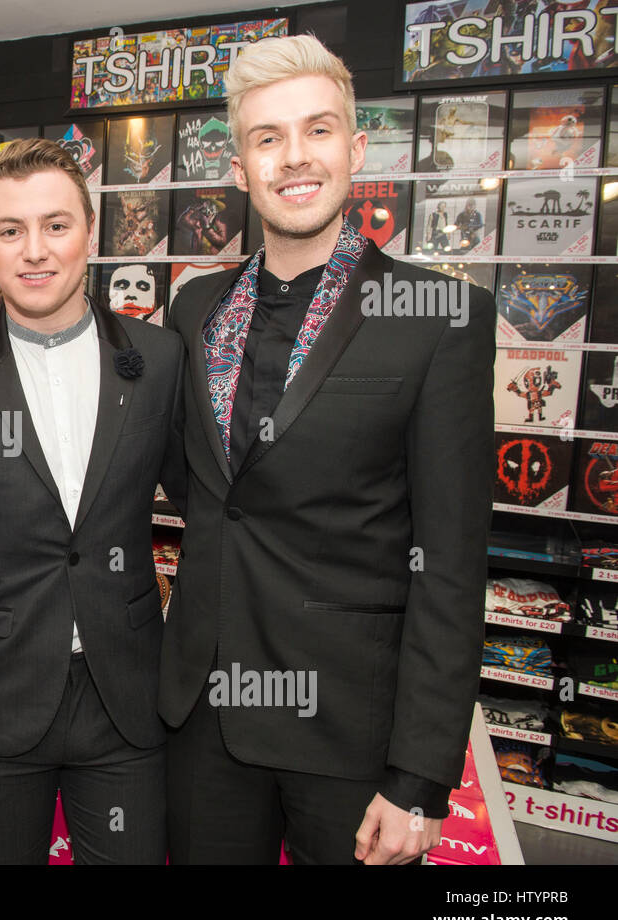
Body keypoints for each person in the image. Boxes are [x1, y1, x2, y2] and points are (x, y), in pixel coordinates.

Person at [158, 35, 493, 865]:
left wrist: (420, 774)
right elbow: (185, 476)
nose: (294, 156)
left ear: (355, 149)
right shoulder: (196, 308)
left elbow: (450, 562)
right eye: (267, 137)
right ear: (240, 167)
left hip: (350, 735)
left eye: (317, 130)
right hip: (203, 719)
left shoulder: (437, 314)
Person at [0, 138, 187, 864]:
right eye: (10, 230)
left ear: (89, 230)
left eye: (56, 224)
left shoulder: (159, 360)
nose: (35, 250)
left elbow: (213, 517)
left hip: (127, 704)